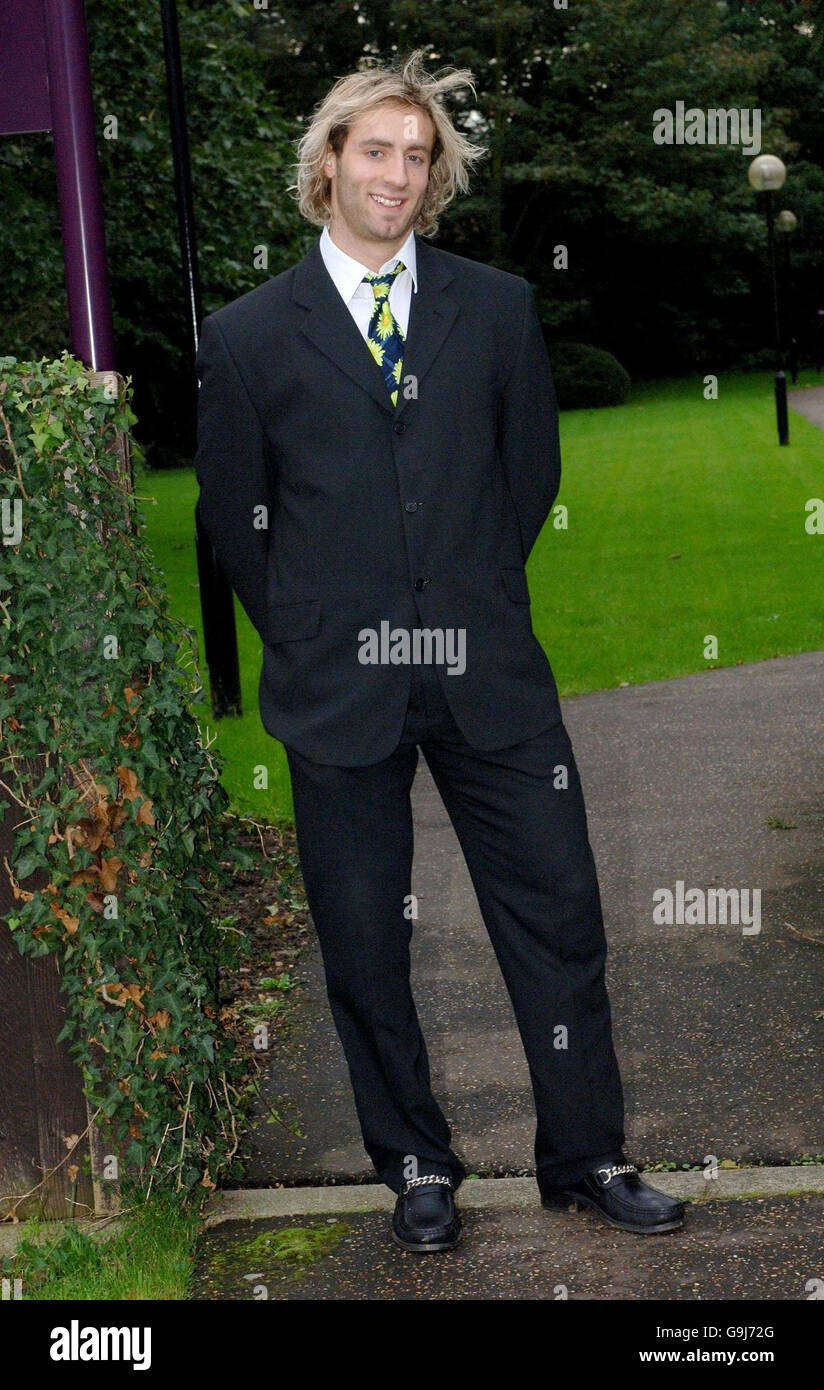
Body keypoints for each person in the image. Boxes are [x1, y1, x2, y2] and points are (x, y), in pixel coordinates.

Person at [194, 49, 684, 1251]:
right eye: (376, 151)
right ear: (328, 163)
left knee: (559, 917)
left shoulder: (496, 307)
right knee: (364, 939)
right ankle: (414, 1162)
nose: (397, 175)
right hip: (335, 688)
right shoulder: (250, 336)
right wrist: (316, 630)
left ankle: (586, 1156)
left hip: (488, 675)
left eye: (418, 156)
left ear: (435, 175)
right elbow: (232, 517)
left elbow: (527, 483)